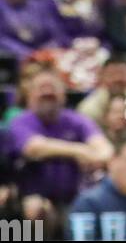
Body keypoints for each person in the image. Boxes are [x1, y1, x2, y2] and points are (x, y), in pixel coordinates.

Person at [4, 69, 113, 210]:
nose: (47, 93)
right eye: (42, 89)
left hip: (77, 196)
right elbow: (34, 148)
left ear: (63, 95)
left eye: (53, 89)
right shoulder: (21, 121)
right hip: (32, 196)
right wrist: (79, 151)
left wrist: (96, 157)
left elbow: (106, 150)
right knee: (35, 208)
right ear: (30, 96)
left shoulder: (77, 120)